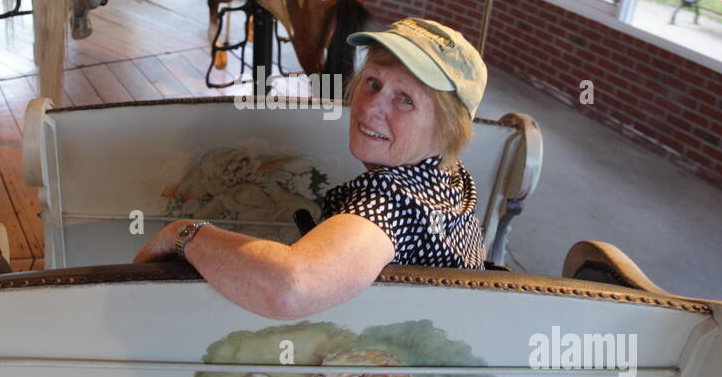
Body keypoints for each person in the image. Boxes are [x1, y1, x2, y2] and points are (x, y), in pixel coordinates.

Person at [133, 17, 488, 320]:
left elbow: (292, 287)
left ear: (447, 131)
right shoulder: (450, 178)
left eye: (405, 99)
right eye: (373, 83)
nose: (370, 107)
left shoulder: (390, 200)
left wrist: (182, 234)